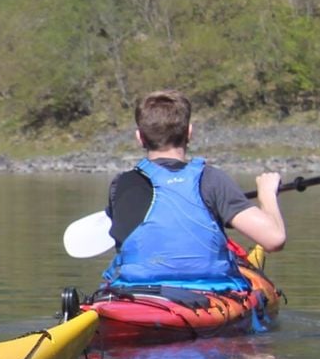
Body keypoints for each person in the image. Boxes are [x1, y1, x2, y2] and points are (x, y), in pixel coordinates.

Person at [102, 90, 285, 289]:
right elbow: (274, 240)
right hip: (207, 294)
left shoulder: (120, 185)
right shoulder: (212, 180)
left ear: (140, 137)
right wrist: (267, 194)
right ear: (189, 132)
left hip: (136, 293)